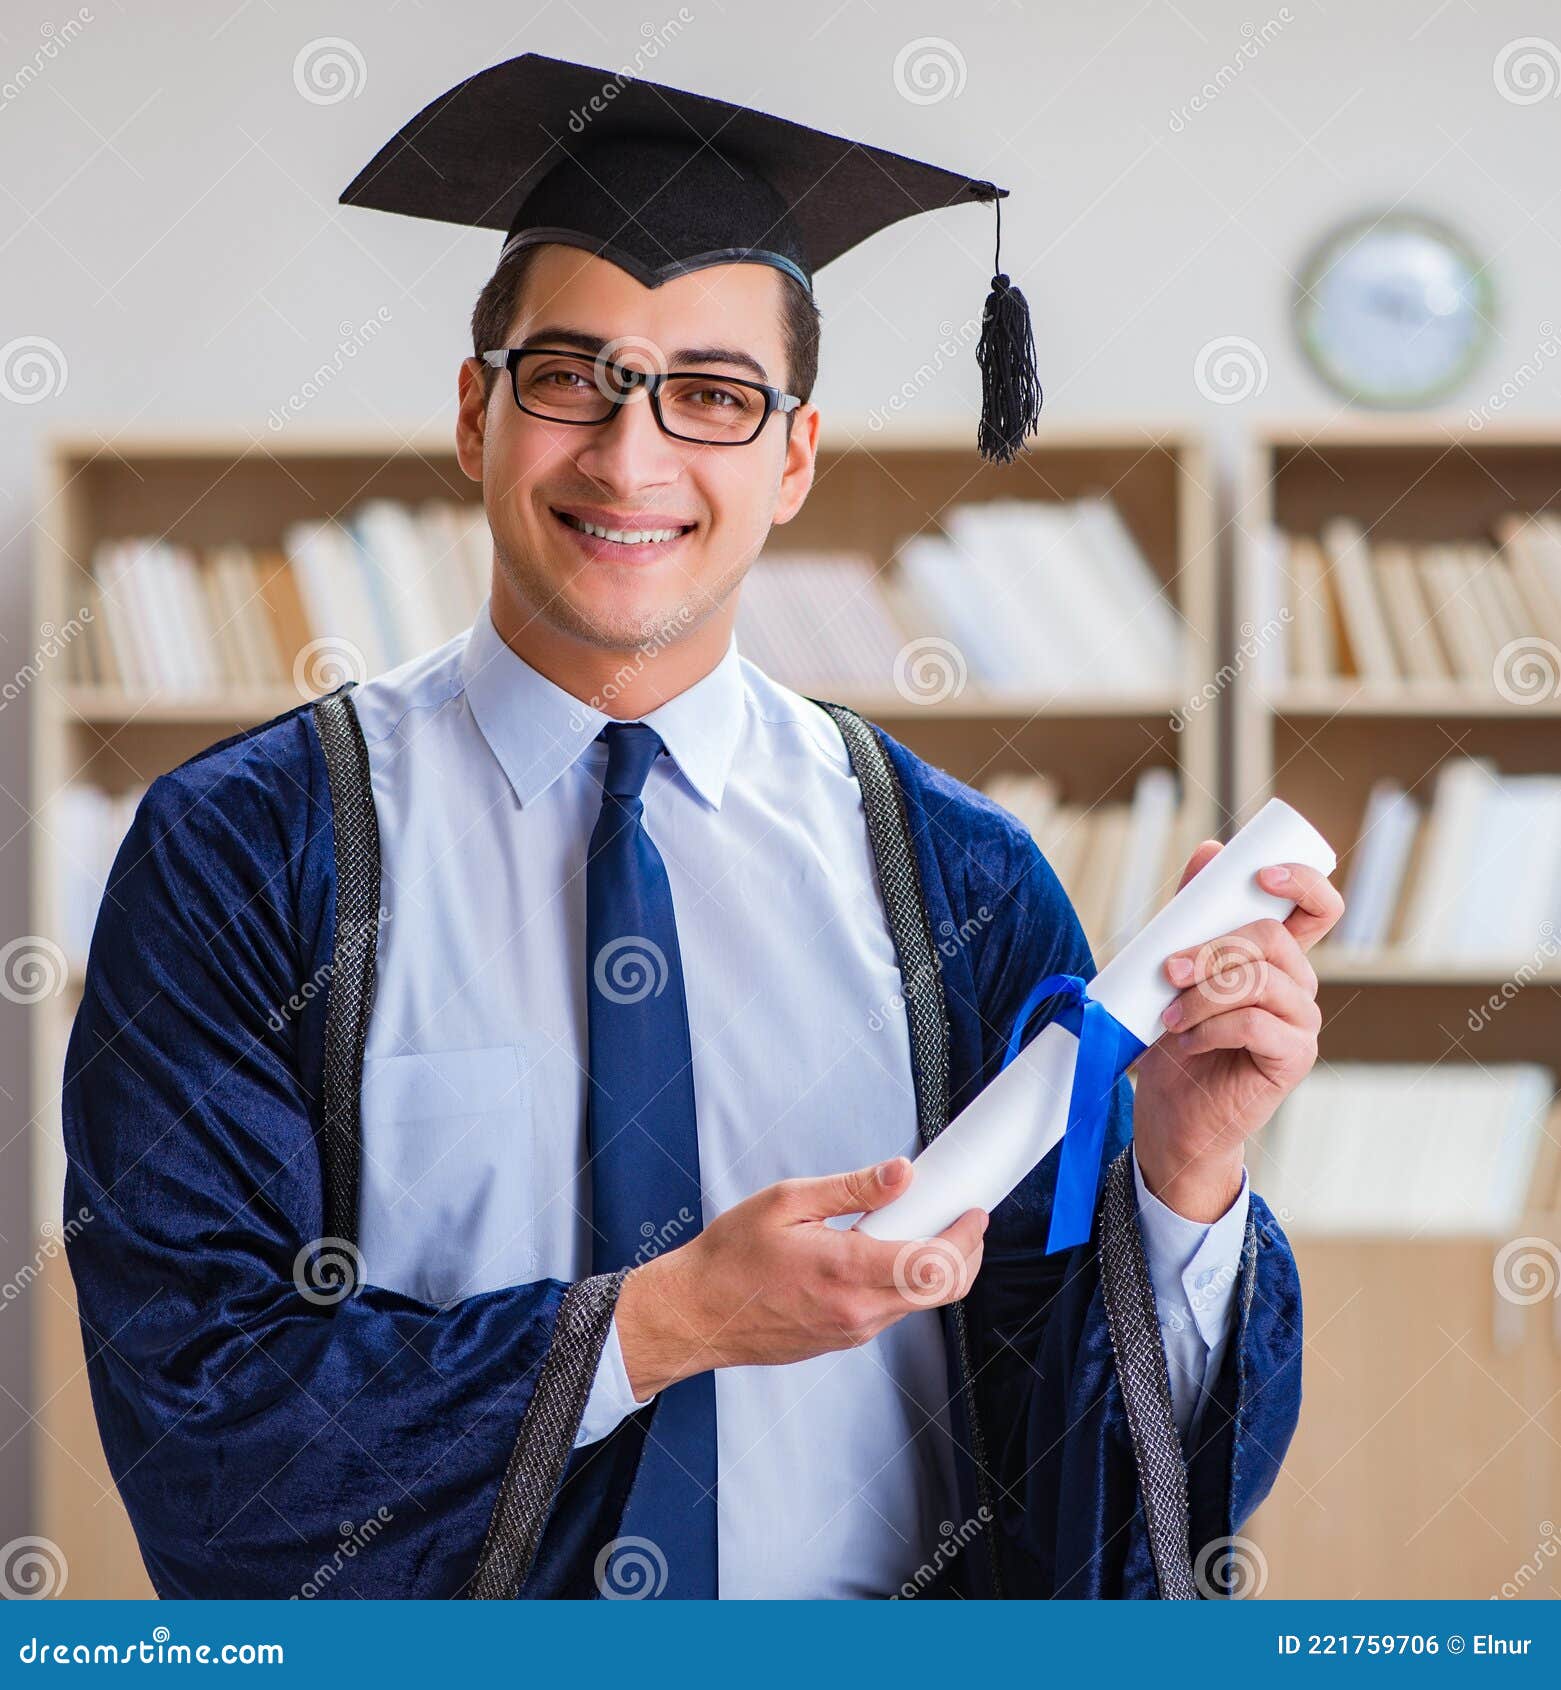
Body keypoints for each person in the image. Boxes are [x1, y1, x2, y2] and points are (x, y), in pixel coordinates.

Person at [61, 52, 1338, 1600]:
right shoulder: (250, 851)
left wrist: (1181, 1172)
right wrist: (664, 1321)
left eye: (714, 396)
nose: (630, 453)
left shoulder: (959, 883)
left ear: (792, 457)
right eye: (567, 376)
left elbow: (1099, 1479)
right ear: (475, 415)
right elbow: (201, 1420)